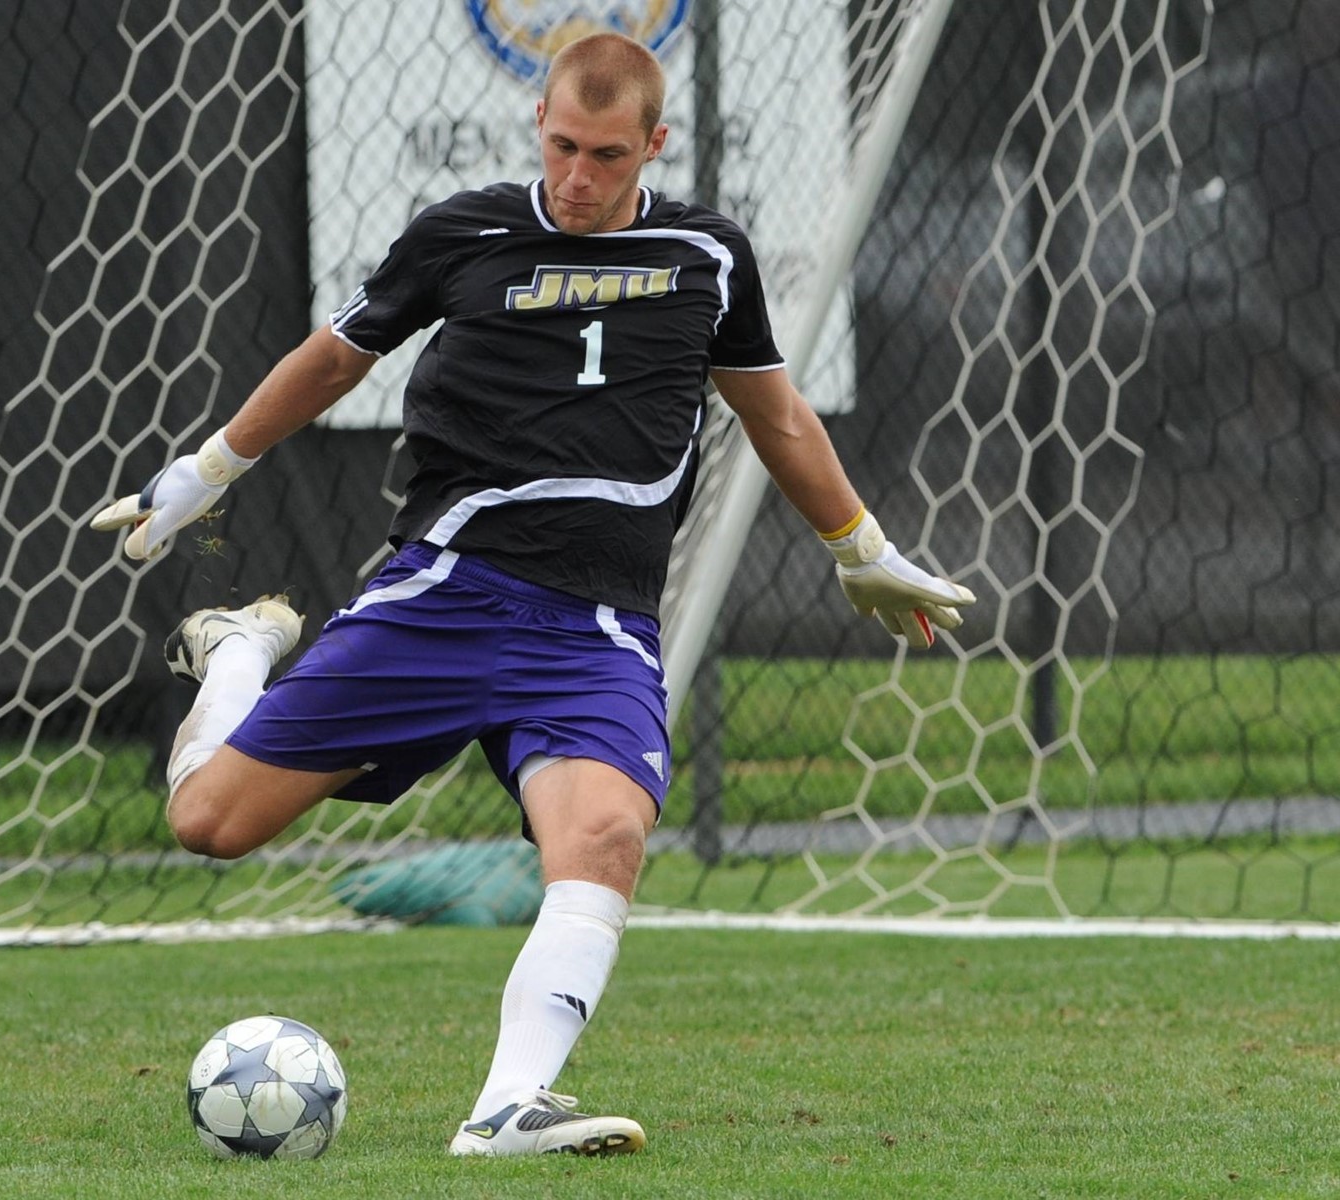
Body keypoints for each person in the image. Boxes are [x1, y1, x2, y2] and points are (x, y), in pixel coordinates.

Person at [91, 31, 975, 1158]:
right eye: (562, 145)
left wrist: (858, 545)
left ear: (652, 143)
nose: (578, 175)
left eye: (608, 154)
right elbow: (332, 358)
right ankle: (235, 657)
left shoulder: (706, 254)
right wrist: (199, 476)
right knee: (208, 824)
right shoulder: (465, 232)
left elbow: (777, 414)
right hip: (450, 595)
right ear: (539, 126)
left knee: (603, 839)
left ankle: (505, 1108)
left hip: (597, 629)